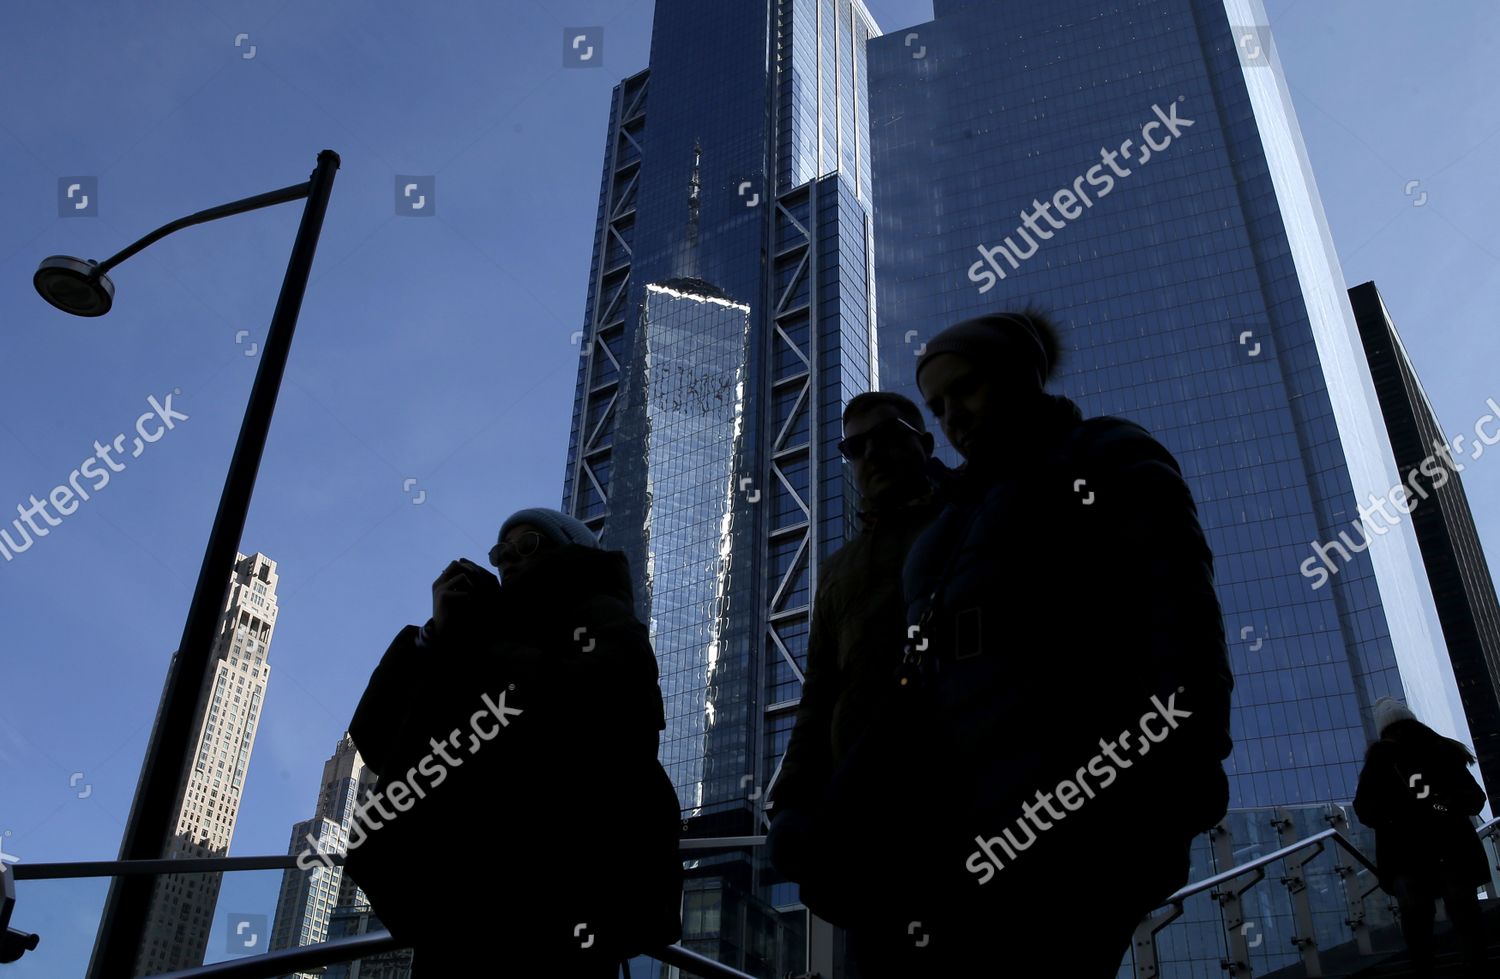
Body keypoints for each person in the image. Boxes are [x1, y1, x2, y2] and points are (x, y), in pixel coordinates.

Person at [828, 309, 1233, 976]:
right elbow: (919, 678)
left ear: (1017, 377)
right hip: (960, 818)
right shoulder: (951, 523)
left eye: (967, 389)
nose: (953, 415)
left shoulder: (1103, 453)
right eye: (939, 403)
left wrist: (1190, 756)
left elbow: (1177, 611)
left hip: (1086, 805)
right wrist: (845, 803)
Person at [343, 509, 682, 977]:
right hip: (463, 889)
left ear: (571, 551)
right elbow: (379, 738)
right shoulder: (474, 635)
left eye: (529, 546)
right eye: (501, 552)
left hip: (558, 888)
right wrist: (431, 638)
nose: (510, 561)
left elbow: (607, 713)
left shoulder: (601, 618)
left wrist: (478, 647)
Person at [765, 391, 949, 972]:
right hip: (867, 820)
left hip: (960, 801)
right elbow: (818, 693)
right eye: (855, 446)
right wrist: (792, 799)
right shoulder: (840, 569)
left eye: (887, 434)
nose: (871, 453)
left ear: (923, 443)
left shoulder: (971, 515)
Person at [1354, 696, 1491, 978]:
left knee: (1417, 919)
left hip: (1405, 856)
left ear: (1383, 728)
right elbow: (1474, 799)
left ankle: (1425, 969)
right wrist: (1441, 806)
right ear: (1411, 719)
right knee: (1464, 911)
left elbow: (1364, 809)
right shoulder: (1443, 749)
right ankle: (1476, 964)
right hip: (1452, 849)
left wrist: (1395, 816)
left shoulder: (1379, 759)